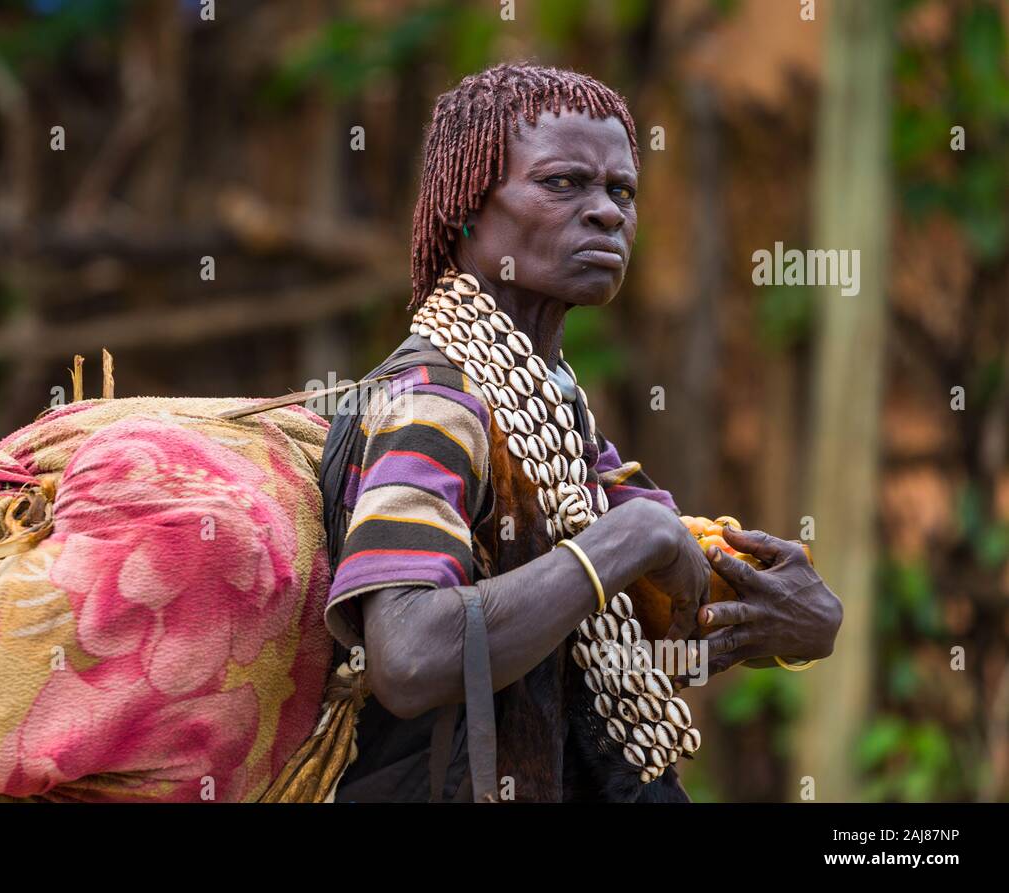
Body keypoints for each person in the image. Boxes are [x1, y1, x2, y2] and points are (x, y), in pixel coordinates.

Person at [318, 64, 843, 803]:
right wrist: (628, 540)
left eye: (621, 191)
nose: (607, 213)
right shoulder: (432, 402)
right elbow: (407, 656)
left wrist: (796, 628)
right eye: (564, 183)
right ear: (467, 210)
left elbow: (611, 636)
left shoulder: (551, 404)